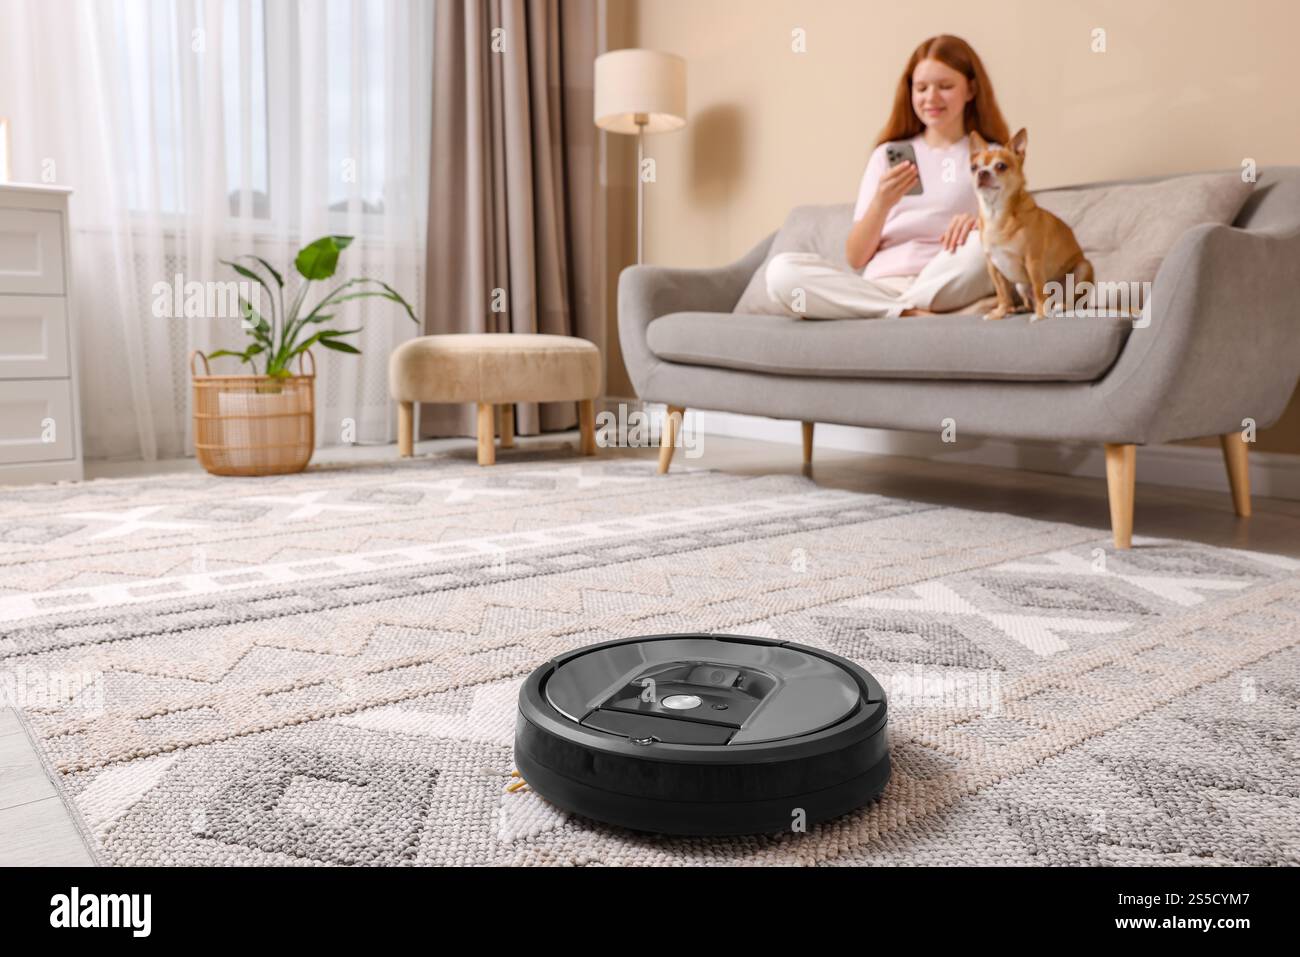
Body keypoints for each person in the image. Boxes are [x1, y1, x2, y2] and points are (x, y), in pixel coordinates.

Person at [766, 34, 1011, 319]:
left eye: (945, 86)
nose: (931, 98)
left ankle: (885, 312)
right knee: (782, 273)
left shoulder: (992, 157)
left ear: (970, 89)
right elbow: (856, 258)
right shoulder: (887, 155)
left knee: (988, 245)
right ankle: (912, 314)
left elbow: (1016, 236)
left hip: (947, 280)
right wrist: (881, 203)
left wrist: (979, 225)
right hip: (883, 284)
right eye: (921, 88)